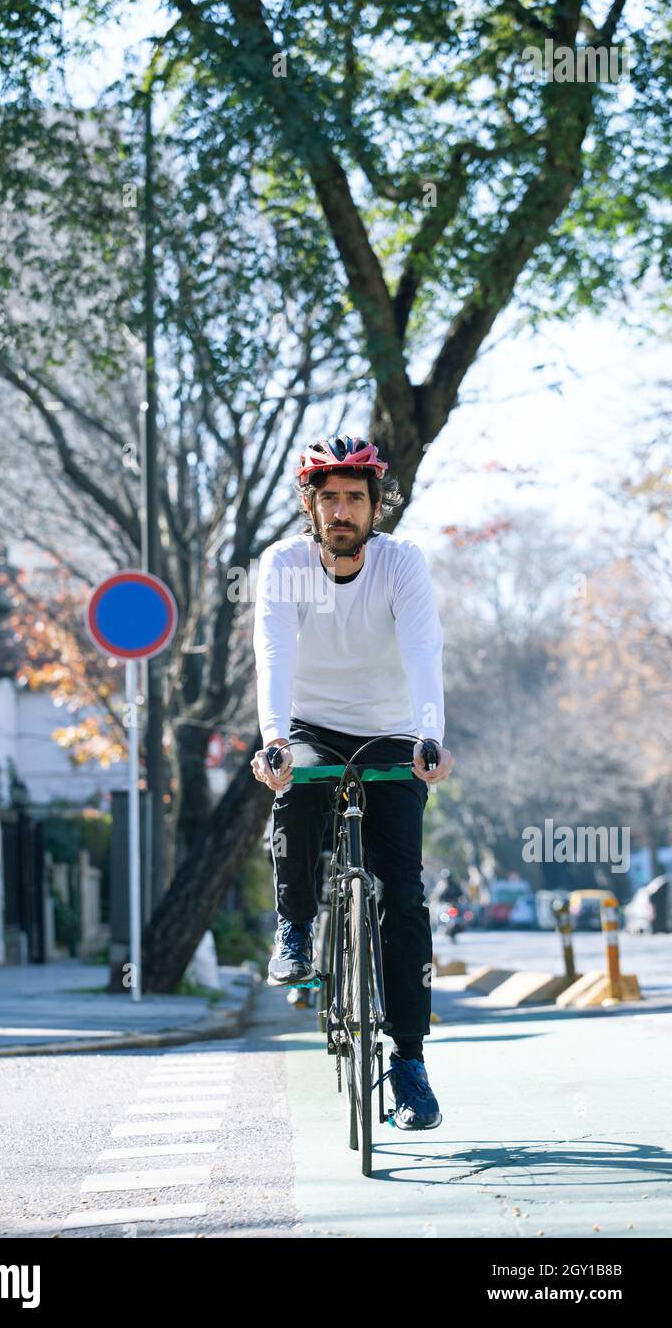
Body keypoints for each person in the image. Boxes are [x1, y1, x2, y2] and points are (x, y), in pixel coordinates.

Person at [251, 434, 454, 1131]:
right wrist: (273, 738)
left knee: (403, 895)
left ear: (375, 505)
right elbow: (273, 650)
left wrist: (431, 734)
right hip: (310, 725)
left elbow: (423, 647)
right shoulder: (284, 565)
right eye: (328, 498)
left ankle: (409, 1061)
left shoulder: (400, 564)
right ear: (310, 505)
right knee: (299, 790)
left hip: (394, 732)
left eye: (354, 499)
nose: (341, 511)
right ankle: (296, 926)